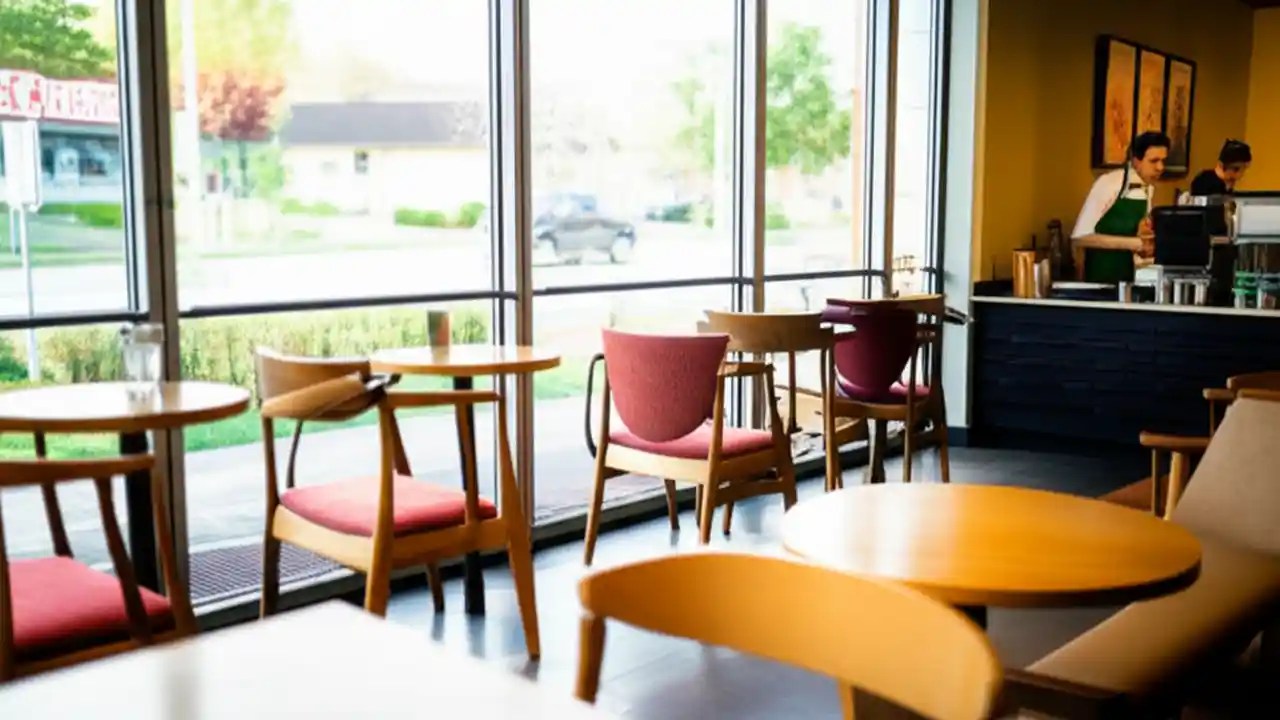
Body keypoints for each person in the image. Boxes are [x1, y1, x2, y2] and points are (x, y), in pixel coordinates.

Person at [1071, 131, 1168, 284]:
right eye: (1154, 161)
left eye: (1163, 161)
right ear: (1136, 161)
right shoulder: (1109, 183)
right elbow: (1080, 238)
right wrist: (1132, 244)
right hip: (1099, 278)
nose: (1160, 167)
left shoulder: (1148, 189)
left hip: (1128, 278)